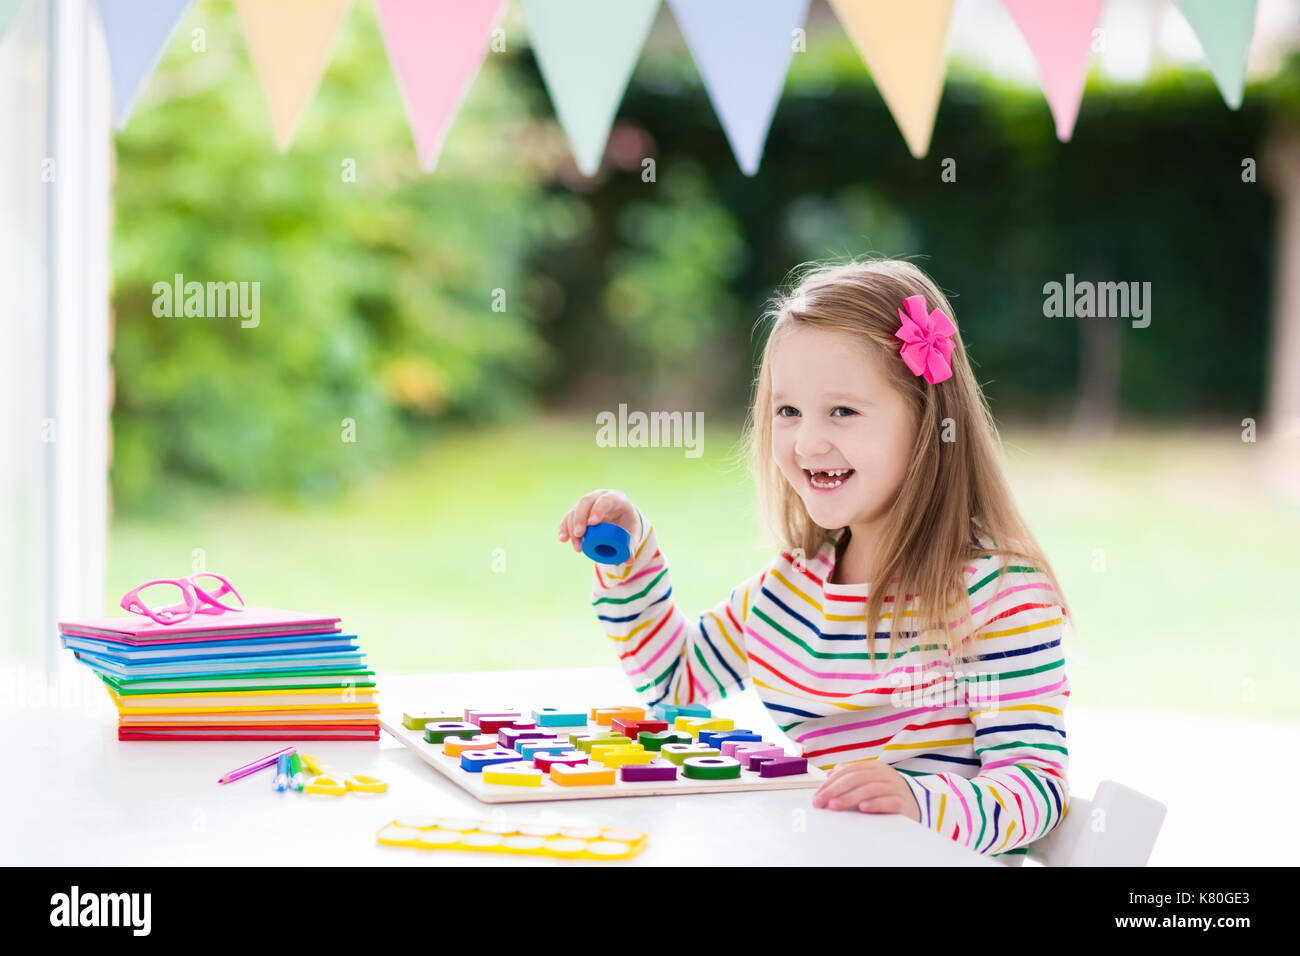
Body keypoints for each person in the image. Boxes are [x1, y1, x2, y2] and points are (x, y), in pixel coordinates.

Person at [557, 257, 1071, 861]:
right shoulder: (787, 591)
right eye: (788, 411)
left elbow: (1037, 789)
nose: (807, 442)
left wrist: (919, 802)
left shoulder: (998, 595)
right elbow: (676, 681)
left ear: (929, 423)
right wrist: (630, 559)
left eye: (843, 411)